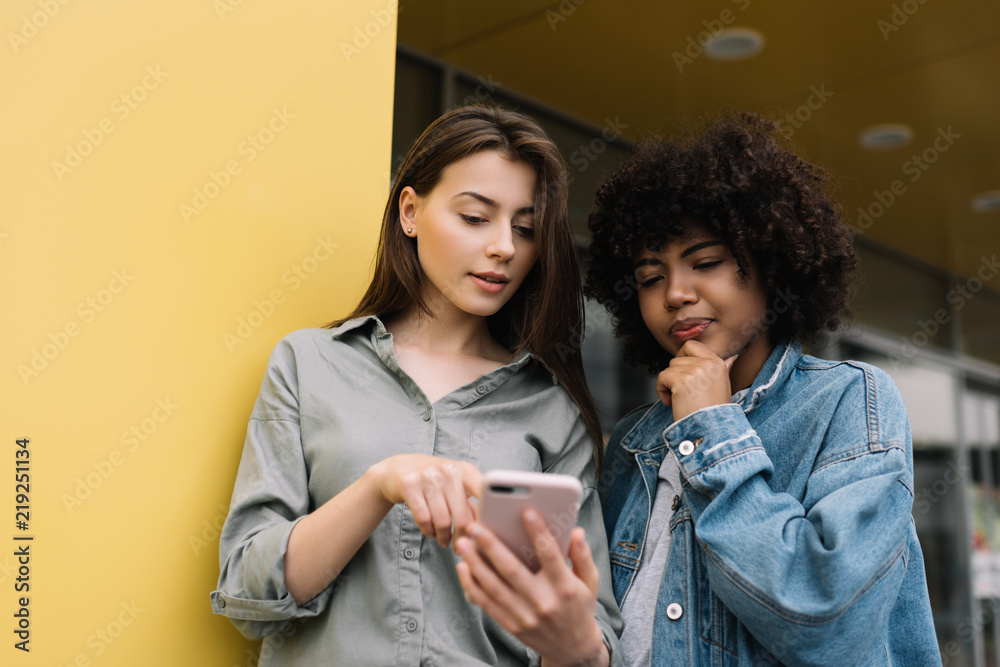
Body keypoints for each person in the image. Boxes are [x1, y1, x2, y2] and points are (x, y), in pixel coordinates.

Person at [211, 105, 622, 666]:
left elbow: (595, 635)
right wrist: (380, 483)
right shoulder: (308, 365)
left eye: (524, 229)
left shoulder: (551, 410)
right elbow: (246, 594)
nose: (504, 246)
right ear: (410, 211)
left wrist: (576, 644)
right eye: (476, 218)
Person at [584, 111, 941, 665]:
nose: (675, 292)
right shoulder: (634, 439)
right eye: (651, 277)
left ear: (773, 263)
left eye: (705, 262)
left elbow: (827, 620)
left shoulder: (849, 402)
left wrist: (710, 428)